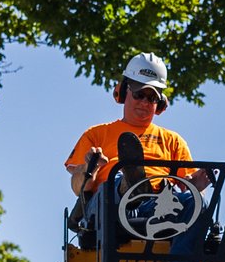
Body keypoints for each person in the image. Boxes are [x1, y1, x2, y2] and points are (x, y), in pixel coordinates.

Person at [67, 53, 192, 198]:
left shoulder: (173, 141)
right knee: (118, 179)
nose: (144, 102)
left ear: (160, 103)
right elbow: (79, 188)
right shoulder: (96, 134)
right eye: (139, 94)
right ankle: (129, 183)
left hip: (161, 202)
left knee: (192, 200)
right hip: (111, 205)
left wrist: (198, 185)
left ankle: (135, 184)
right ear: (123, 92)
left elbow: (191, 185)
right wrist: (90, 167)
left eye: (151, 98)